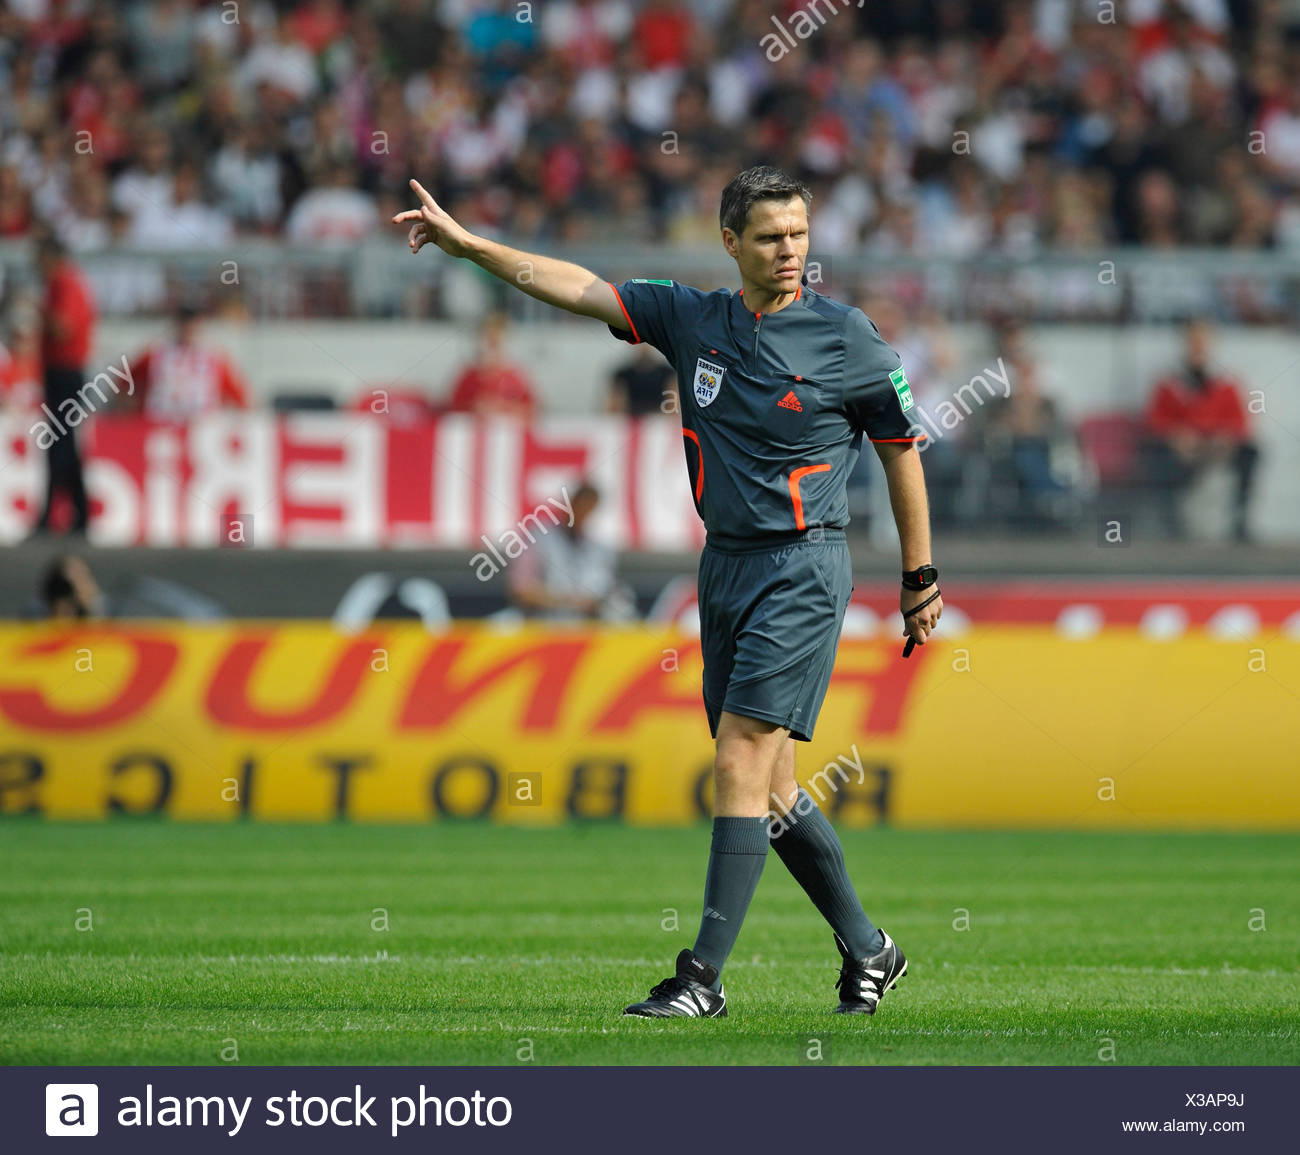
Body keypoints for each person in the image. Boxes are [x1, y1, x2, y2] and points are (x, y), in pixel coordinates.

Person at [394, 164, 941, 1018]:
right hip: (724, 567)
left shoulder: (850, 338)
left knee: (736, 760)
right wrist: (468, 247)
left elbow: (900, 451)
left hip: (804, 564)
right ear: (731, 242)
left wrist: (919, 575)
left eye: (798, 232)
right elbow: (573, 285)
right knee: (777, 789)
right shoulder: (695, 319)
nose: (790, 249)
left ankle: (702, 978)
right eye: (770, 236)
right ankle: (872, 949)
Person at [1142, 318, 1259, 542]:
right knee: (1157, 457)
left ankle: (1240, 521)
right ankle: (1172, 526)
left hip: (1218, 446)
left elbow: (1241, 422)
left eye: (1203, 341)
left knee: (1252, 453)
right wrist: (1175, 435)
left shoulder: (1226, 381)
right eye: (1193, 341)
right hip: (1183, 449)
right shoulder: (1168, 382)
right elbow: (1154, 420)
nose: (1198, 347)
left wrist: (1226, 438)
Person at [33, 232, 97, 535]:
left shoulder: (64, 285)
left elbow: (64, 328)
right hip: (62, 372)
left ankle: (53, 514)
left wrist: (38, 311)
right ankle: (78, 514)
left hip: (66, 372)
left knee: (60, 444)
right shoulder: (63, 284)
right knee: (64, 443)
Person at [508, 481, 634, 620]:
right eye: (579, 504)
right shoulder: (537, 538)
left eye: (588, 505)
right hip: (543, 629)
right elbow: (521, 591)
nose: (583, 510)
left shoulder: (599, 549)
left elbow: (610, 590)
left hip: (585, 632)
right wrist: (570, 601)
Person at [121, 302, 250, 419]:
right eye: (185, 322)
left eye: (192, 322)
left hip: (200, 429)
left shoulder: (214, 356)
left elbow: (240, 396)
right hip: (161, 426)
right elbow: (124, 381)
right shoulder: (157, 353)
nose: (188, 328)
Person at [446, 311, 537, 420]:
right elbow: (452, 411)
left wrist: (504, 408)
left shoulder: (517, 377)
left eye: (497, 343)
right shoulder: (469, 377)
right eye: (490, 342)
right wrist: (475, 408)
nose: (492, 349)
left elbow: (532, 412)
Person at [606, 341, 677, 416]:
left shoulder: (668, 374)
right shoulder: (622, 375)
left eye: (647, 342)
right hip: (630, 422)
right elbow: (614, 407)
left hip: (659, 422)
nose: (644, 347)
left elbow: (673, 405)